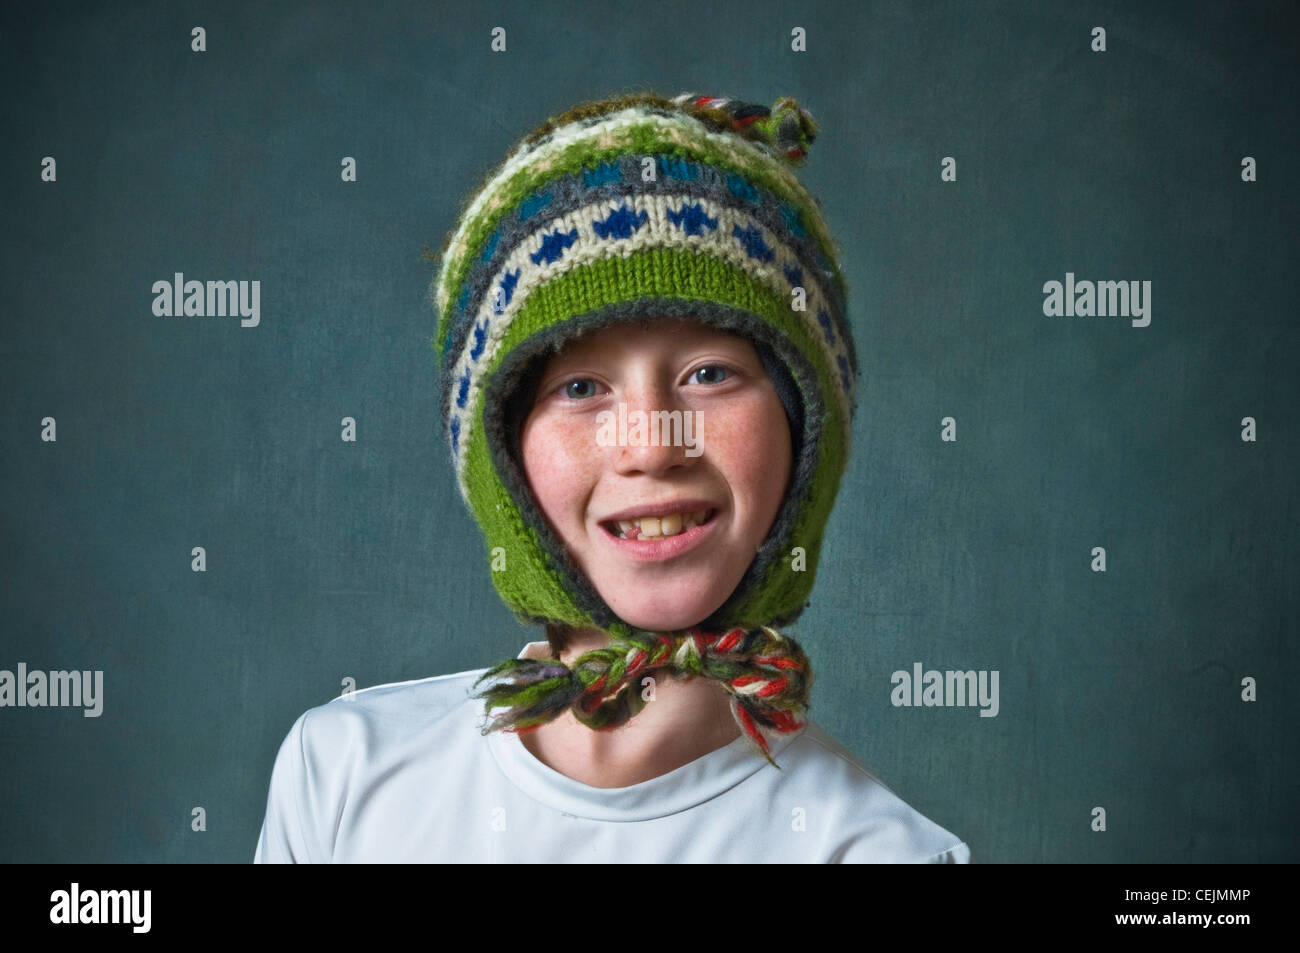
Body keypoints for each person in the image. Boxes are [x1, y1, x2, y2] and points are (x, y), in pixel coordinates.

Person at [254, 91, 971, 863]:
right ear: (499, 454)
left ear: (805, 431)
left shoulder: (880, 852)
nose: (651, 446)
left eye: (709, 372)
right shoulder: (342, 778)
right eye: (581, 388)